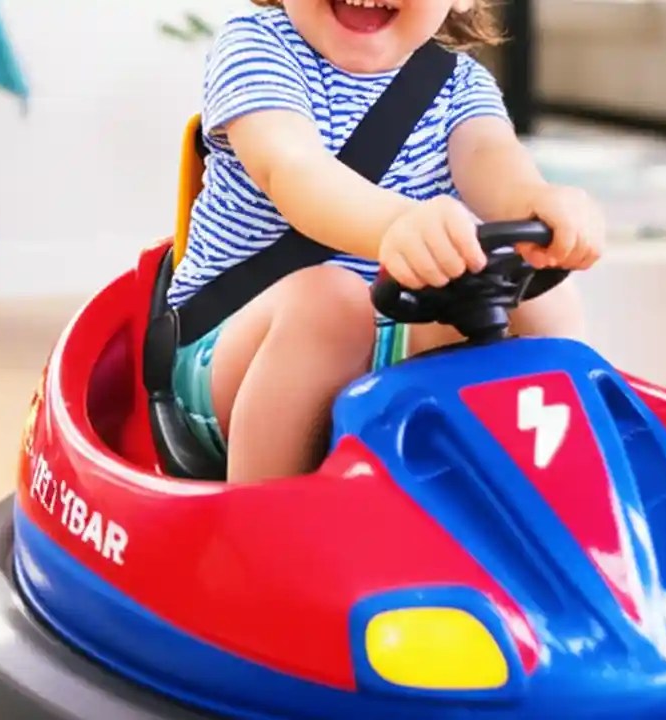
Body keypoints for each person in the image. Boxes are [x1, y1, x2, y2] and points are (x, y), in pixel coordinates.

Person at [168, 0, 605, 484]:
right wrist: (395, 224)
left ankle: (562, 502)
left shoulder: (461, 86)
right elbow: (292, 170)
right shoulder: (258, 46)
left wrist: (542, 204)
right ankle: (262, 534)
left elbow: (493, 160)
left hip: (388, 338)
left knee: (540, 300)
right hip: (232, 349)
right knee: (330, 304)